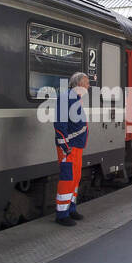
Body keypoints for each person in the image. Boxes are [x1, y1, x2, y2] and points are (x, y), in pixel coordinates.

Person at [53, 70, 89, 225]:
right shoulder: (66, 97)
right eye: (87, 83)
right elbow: (60, 124)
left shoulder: (75, 98)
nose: (88, 86)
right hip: (69, 147)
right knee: (67, 179)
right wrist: (64, 145)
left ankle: (71, 208)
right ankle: (62, 215)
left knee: (75, 178)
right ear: (80, 84)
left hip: (77, 147)